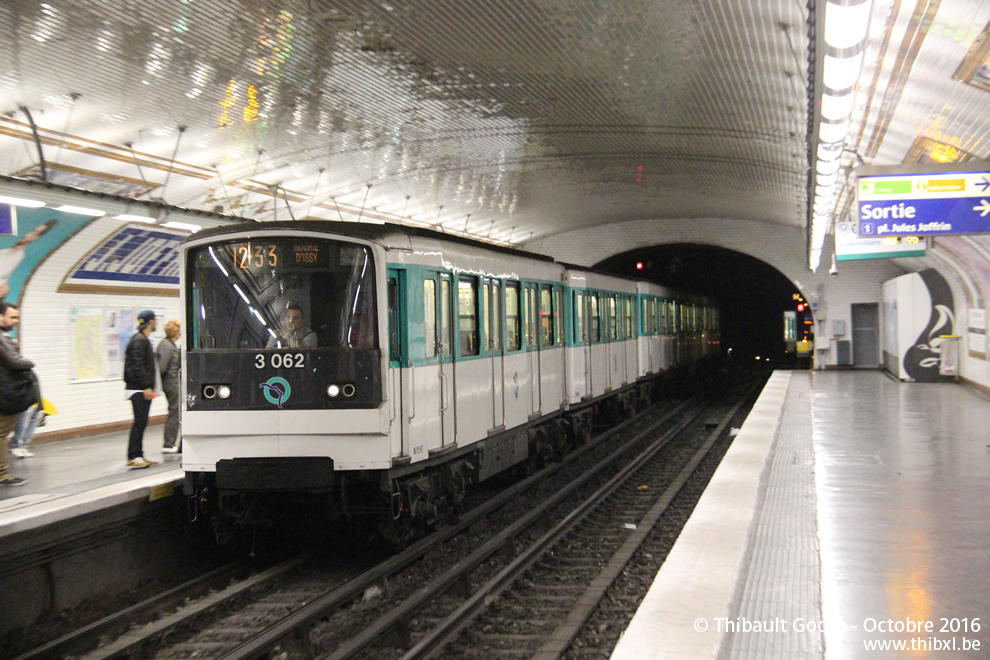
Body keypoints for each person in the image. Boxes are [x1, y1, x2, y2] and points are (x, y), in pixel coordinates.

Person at [0, 302, 32, 485]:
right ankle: (3, 474)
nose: (16, 321)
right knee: (1, 434)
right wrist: (30, 362)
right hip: (5, 394)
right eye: (12, 317)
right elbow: (15, 362)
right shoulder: (2, 338)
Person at [124, 310, 159, 469]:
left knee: (141, 422)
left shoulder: (141, 339)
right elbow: (138, 365)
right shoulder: (139, 340)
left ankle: (139, 454)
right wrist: (146, 386)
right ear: (151, 322)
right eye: (155, 320)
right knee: (139, 422)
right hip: (138, 389)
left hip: (140, 388)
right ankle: (134, 456)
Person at [0, 219, 58, 301]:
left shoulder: (17, 256)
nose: (28, 235)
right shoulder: (3, 252)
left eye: (35, 234)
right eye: (32, 232)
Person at [156, 319, 181, 453]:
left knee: (175, 411)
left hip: (171, 382)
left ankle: (171, 442)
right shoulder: (167, 346)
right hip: (171, 383)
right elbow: (162, 367)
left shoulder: (168, 344)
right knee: (174, 411)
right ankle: (168, 443)